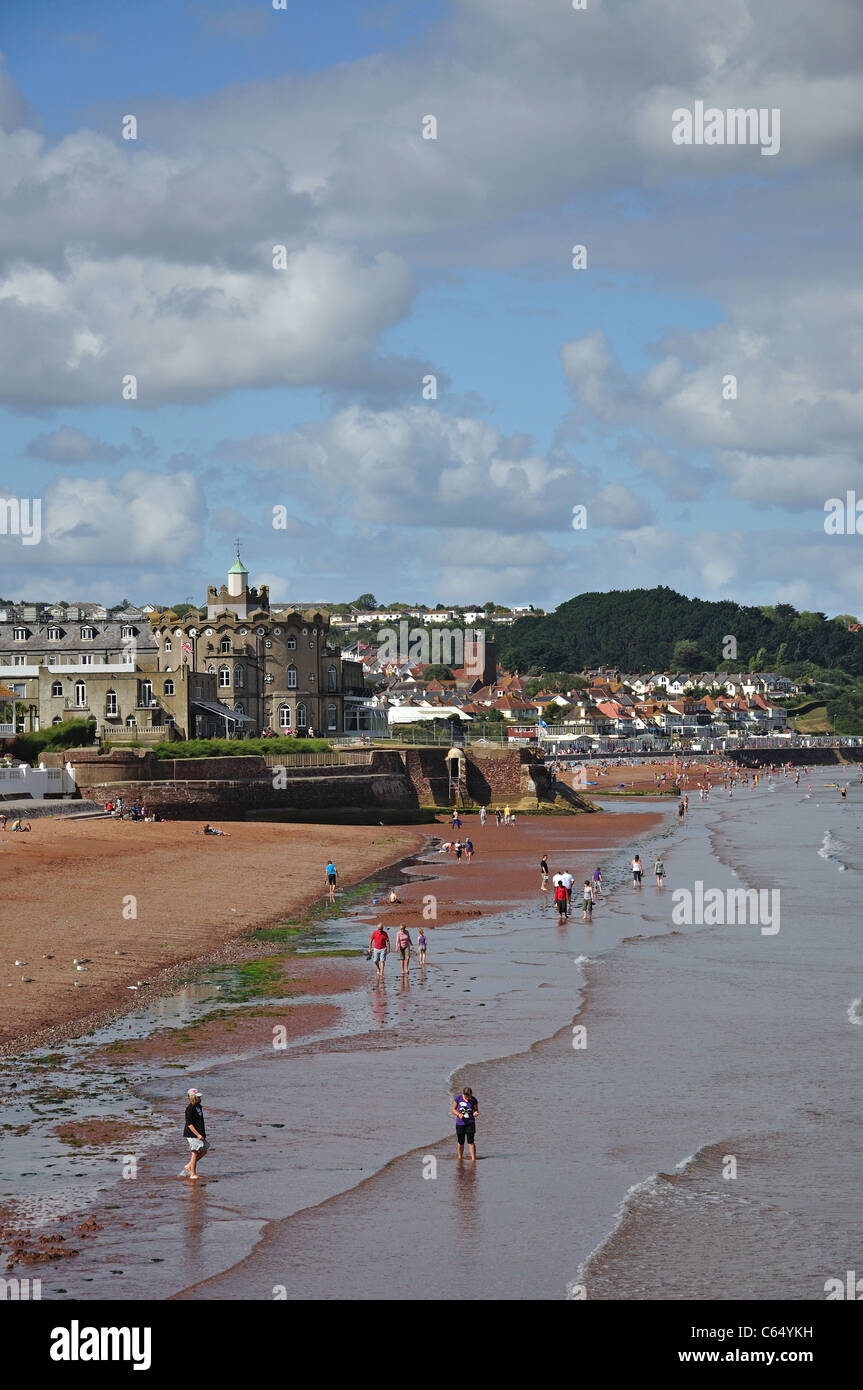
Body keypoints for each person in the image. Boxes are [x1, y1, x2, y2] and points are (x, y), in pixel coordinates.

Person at [180, 1087, 209, 1180]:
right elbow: (190, 1124)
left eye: (200, 1097)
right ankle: (192, 1174)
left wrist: (202, 1134)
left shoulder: (198, 1107)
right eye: (198, 1097)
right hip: (192, 1134)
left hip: (200, 1133)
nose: (200, 1099)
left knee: (204, 1150)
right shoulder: (190, 1108)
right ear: (192, 1097)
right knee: (195, 1152)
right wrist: (197, 1134)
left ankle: (189, 1166)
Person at [452, 1086, 478, 1161]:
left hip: (470, 1123)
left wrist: (476, 1113)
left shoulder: (473, 1100)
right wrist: (458, 1114)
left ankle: (473, 1159)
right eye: (465, 1097)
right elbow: (453, 1109)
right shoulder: (458, 1098)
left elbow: (476, 1110)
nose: (466, 1099)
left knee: (471, 1142)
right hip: (460, 1123)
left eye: (468, 1097)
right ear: (462, 1094)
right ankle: (460, 1158)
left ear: (470, 1095)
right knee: (461, 1142)